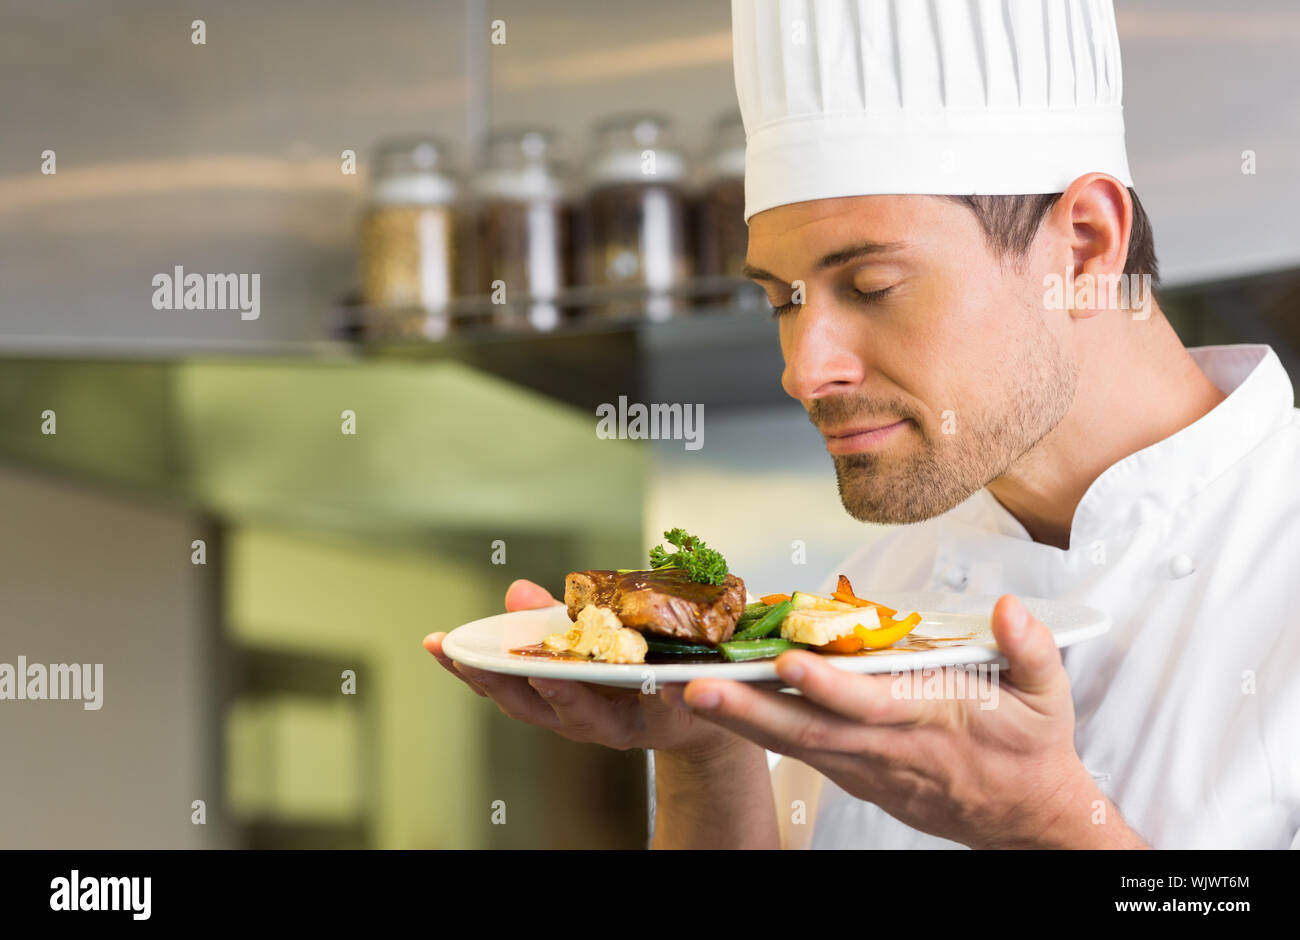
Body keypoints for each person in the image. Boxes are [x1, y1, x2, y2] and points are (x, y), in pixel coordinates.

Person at [425, 0, 1300, 849]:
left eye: (873, 287)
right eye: (781, 302)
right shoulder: (877, 602)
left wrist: (1047, 828)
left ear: (1083, 246)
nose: (803, 371)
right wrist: (706, 745)